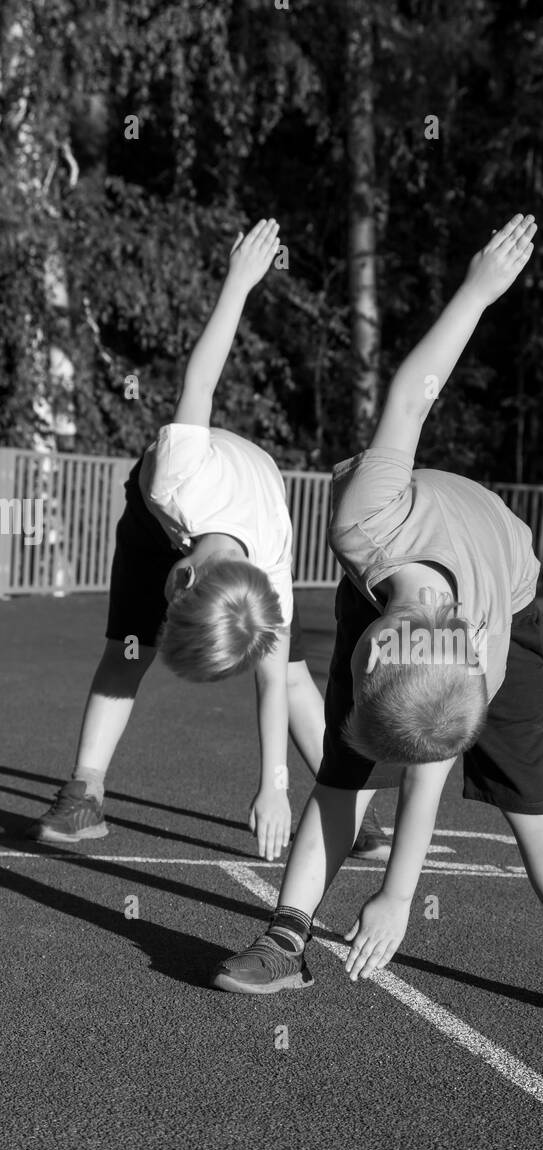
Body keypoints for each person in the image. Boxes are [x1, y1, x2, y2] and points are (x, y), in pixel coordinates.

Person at [214, 214, 543, 1025]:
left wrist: (397, 893)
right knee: (344, 772)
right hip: (407, 554)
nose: (336, 682)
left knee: (536, 794)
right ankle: (285, 939)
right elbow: (413, 393)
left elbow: (431, 752)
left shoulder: (481, 657)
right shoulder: (363, 517)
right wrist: (478, 290)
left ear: (377, 656)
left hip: (508, 590)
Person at [26, 220, 388, 863]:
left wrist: (274, 786)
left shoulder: (272, 560)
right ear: (181, 578)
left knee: (295, 675)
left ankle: (350, 804)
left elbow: (271, 682)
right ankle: (84, 793)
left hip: (244, 508)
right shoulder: (177, 477)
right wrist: (238, 283)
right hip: (158, 511)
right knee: (128, 647)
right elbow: (201, 382)